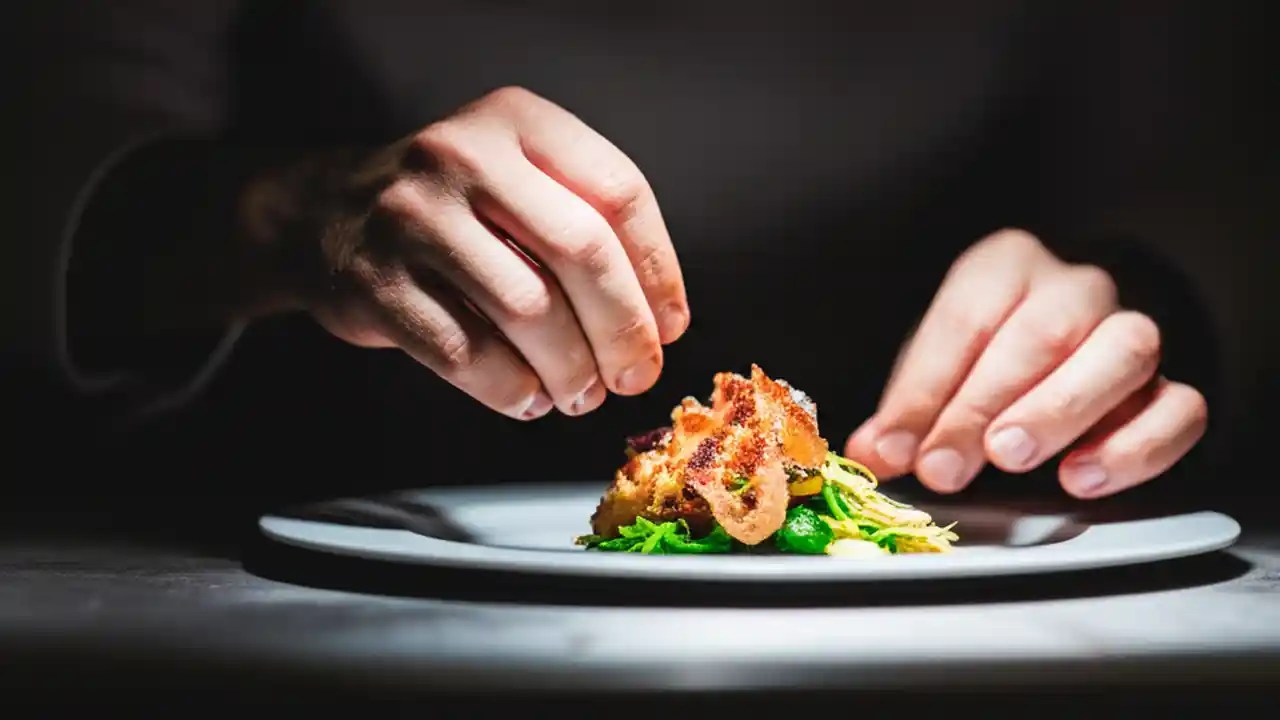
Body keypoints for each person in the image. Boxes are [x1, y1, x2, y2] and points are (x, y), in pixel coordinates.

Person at [10, 1, 1271, 511]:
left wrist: (1134, 296)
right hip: (324, 485)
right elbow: (54, 140)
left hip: (970, 508)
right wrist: (282, 220)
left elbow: (1202, 140)